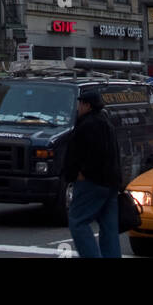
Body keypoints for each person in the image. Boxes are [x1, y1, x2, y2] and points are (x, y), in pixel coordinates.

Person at [63, 86, 122, 259]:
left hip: (92, 182)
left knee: (78, 222)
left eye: (80, 104)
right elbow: (113, 153)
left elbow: (86, 154)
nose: (78, 107)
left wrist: (80, 173)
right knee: (109, 227)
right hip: (111, 182)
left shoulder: (87, 125)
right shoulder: (106, 123)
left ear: (87, 105)